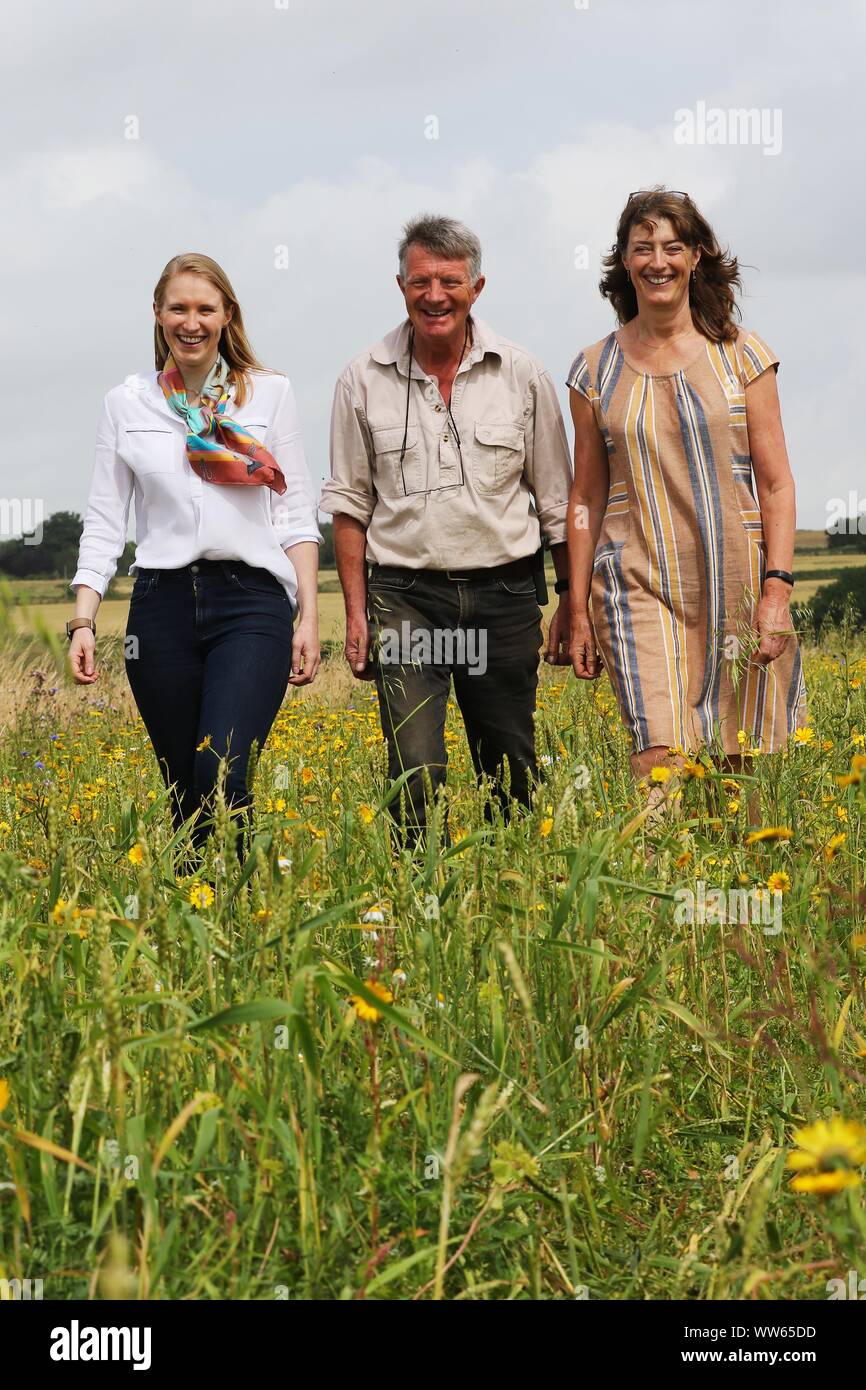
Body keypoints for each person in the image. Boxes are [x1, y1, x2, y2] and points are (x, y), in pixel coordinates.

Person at [321, 214, 573, 843]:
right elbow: (349, 505)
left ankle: (512, 903)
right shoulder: (361, 378)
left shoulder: (523, 374)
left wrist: (574, 603)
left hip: (506, 596)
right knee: (416, 770)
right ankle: (418, 906)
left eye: (450, 281)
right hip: (407, 598)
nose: (435, 295)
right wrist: (357, 613)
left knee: (510, 770)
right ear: (400, 285)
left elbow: (559, 504)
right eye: (421, 281)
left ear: (477, 288)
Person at [68, 252, 321, 866]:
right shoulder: (126, 403)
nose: (192, 322)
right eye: (178, 308)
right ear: (158, 315)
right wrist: (83, 617)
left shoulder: (269, 395)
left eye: (205, 309)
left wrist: (308, 615)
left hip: (252, 603)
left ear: (227, 315)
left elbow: (296, 511)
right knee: (186, 793)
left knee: (221, 772)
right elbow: (106, 519)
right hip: (162, 608)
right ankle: (204, 935)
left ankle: (247, 916)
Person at [566, 188, 807, 811]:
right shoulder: (593, 371)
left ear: (697, 257)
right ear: (623, 261)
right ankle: (652, 902)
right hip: (637, 583)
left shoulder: (744, 356)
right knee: (658, 757)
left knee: (739, 772)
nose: (658, 260)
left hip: (739, 588)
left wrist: (776, 591)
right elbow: (585, 495)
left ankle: (733, 904)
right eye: (642, 247)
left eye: (673, 246)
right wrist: (575, 606)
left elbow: (778, 483)